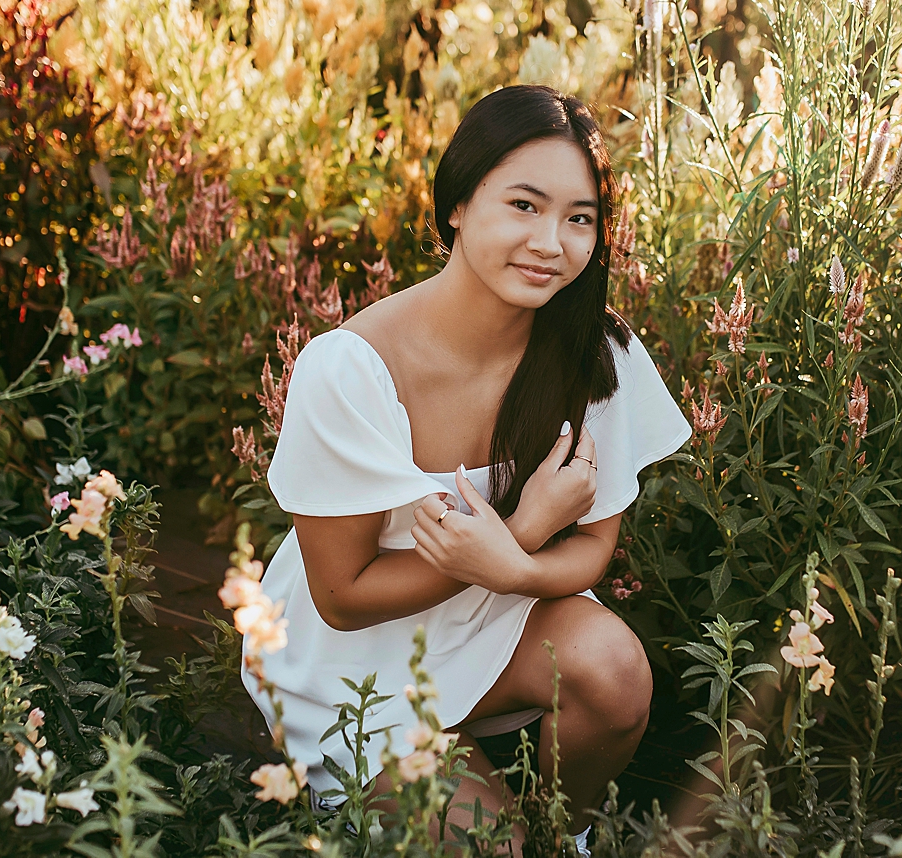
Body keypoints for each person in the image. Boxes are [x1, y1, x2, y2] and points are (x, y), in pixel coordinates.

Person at [243, 85, 692, 853]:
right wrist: (521, 532)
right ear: (457, 203)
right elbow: (342, 598)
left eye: (579, 218)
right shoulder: (350, 368)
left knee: (615, 671)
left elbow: (594, 545)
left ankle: (562, 835)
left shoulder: (594, 353)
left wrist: (512, 567)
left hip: (498, 622)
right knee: (491, 846)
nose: (551, 242)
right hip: (353, 664)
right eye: (524, 205)